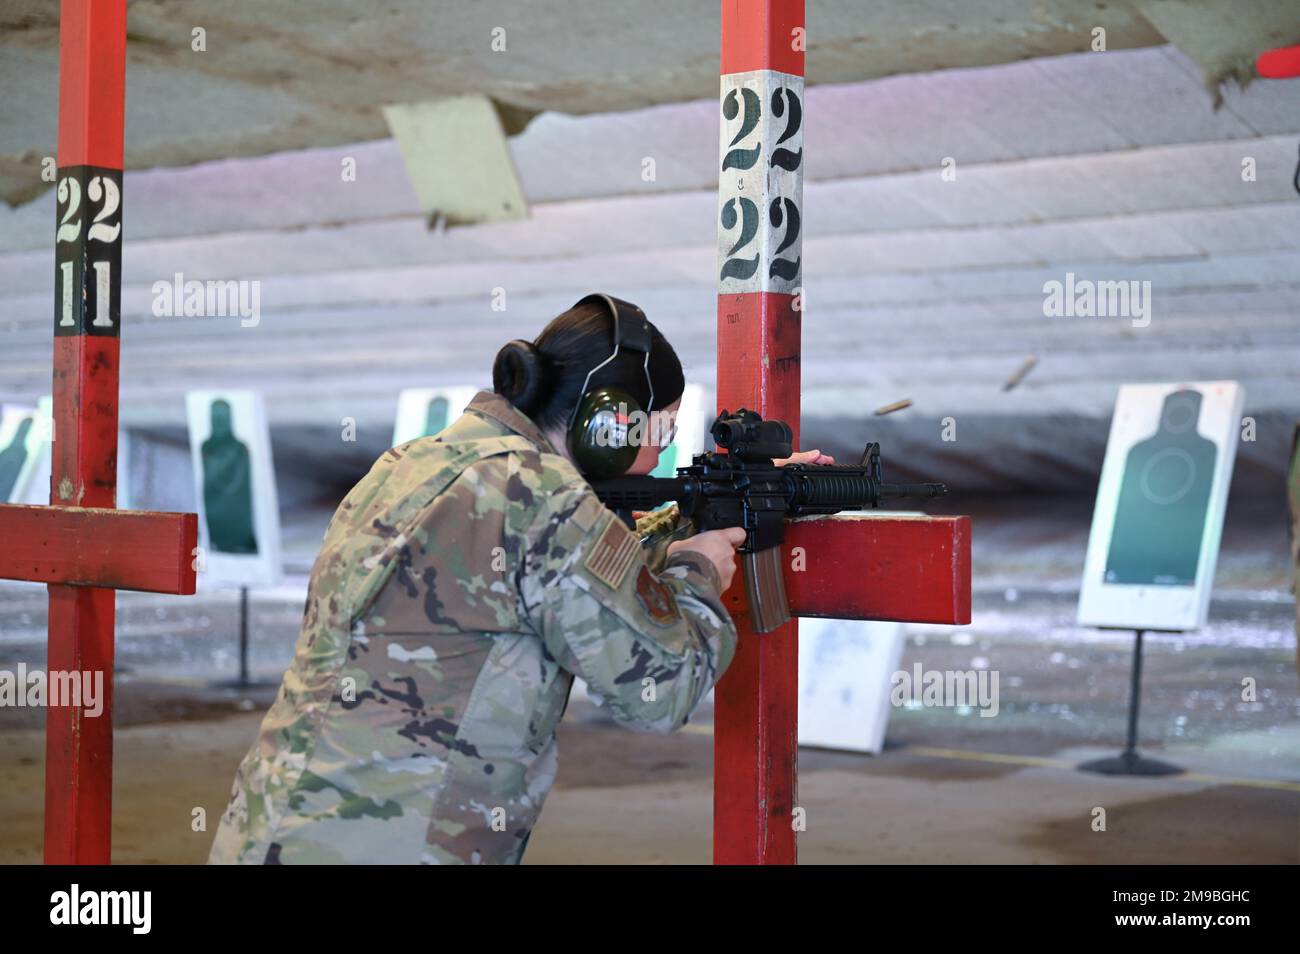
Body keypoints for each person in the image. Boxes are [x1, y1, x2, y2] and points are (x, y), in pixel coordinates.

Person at [208, 293, 827, 864]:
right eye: (657, 428)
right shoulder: (544, 496)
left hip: (272, 829)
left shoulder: (408, 463)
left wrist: (706, 511)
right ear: (607, 419)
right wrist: (696, 572)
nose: (662, 452)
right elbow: (658, 691)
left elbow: (543, 579)